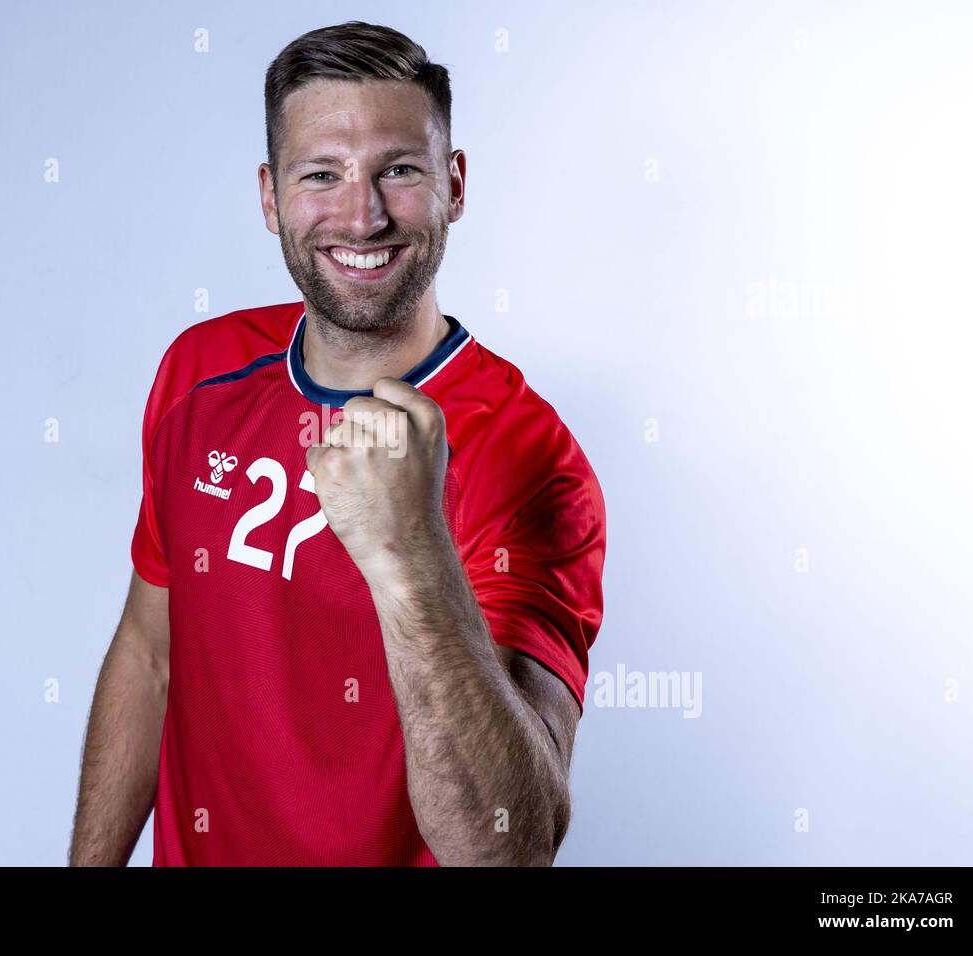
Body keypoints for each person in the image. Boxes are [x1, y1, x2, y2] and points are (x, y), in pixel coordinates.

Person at [69, 20, 606, 867]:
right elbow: (149, 654)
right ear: (270, 196)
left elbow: (508, 848)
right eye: (322, 174)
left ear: (454, 184)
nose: (362, 216)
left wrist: (413, 555)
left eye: (400, 170)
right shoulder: (199, 372)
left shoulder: (532, 459)